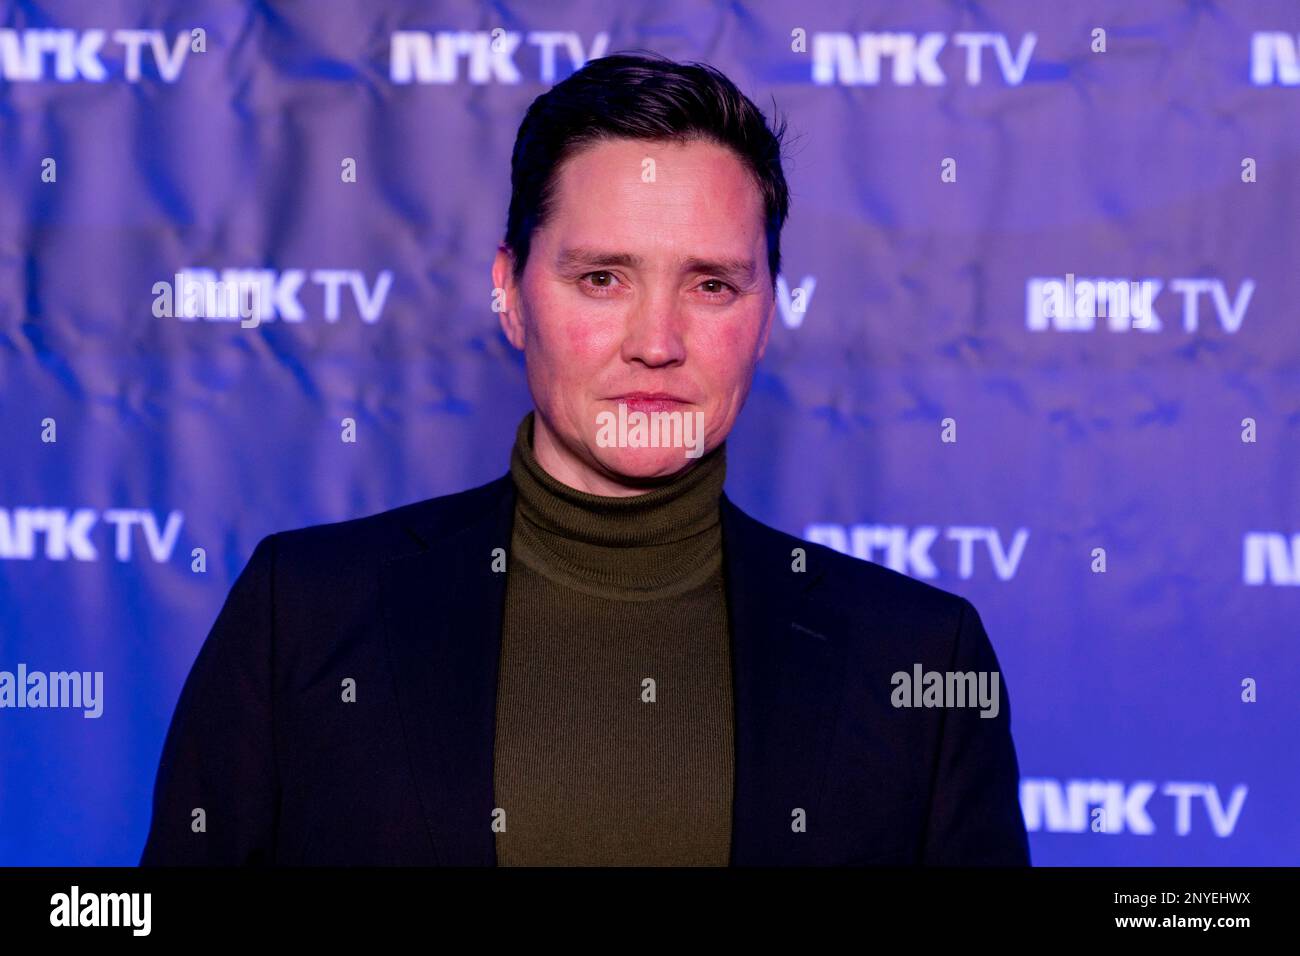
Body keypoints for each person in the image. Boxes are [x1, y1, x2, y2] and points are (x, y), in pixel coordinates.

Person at [140, 51, 1030, 866]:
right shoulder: (301, 613)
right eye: (602, 278)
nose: (657, 341)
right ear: (510, 294)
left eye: (711, 284)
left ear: (767, 314)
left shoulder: (918, 659)